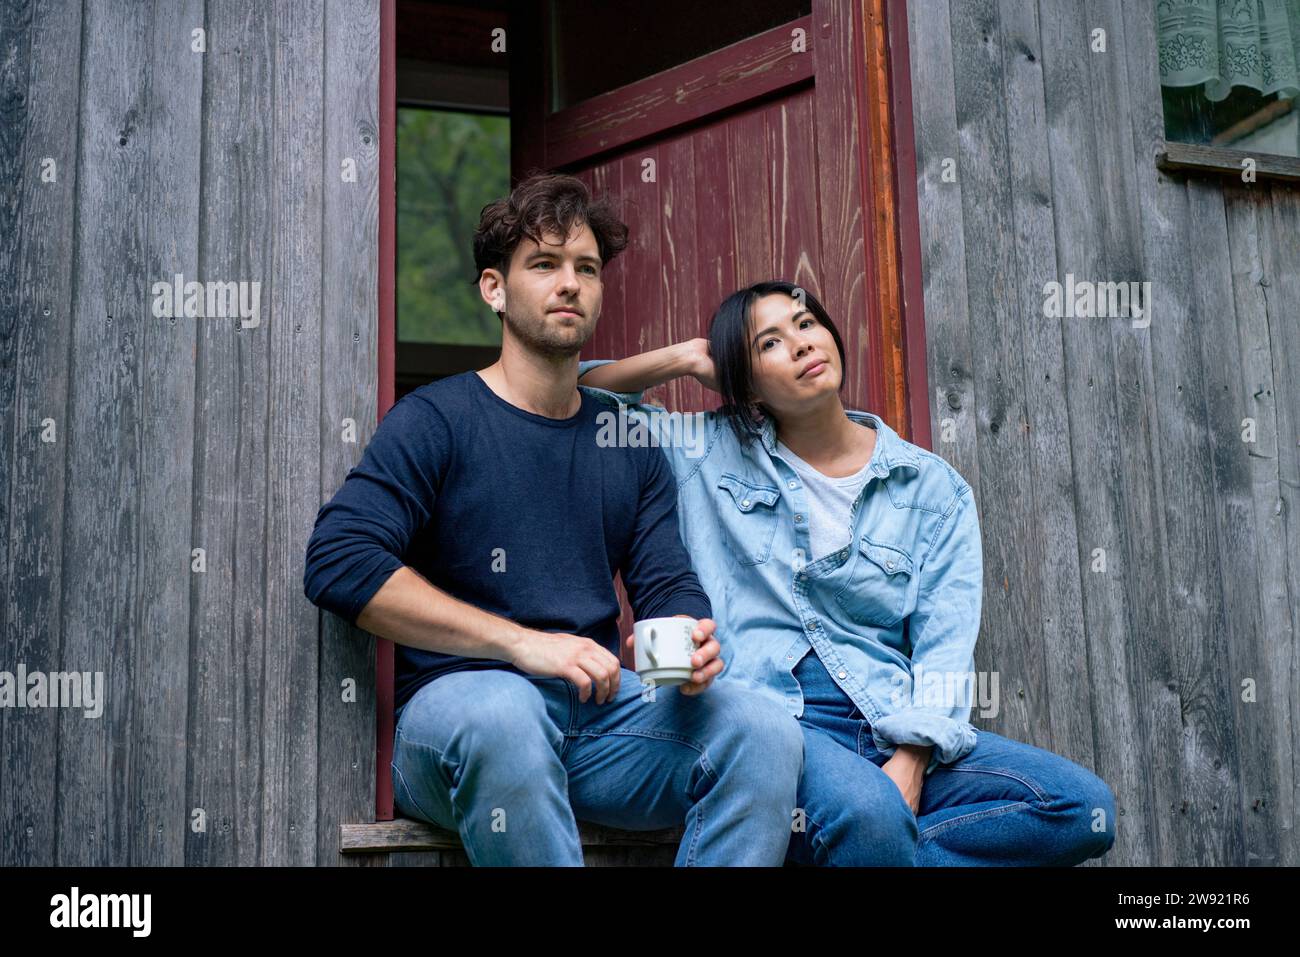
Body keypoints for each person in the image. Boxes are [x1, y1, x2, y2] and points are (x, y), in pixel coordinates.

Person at [303, 176, 804, 866]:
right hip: (458, 722)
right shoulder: (436, 420)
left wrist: (684, 651)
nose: (569, 283)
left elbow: (667, 587)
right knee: (507, 715)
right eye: (544, 264)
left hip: (596, 722)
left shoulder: (627, 445)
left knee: (764, 730)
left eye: (587, 268)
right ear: (494, 289)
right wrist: (521, 644)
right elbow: (338, 560)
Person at [577, 280, 1118, 866]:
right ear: (744, 378)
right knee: (869, 817)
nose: (803, 345)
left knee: (1079, 808)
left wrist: (910, 762)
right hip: (776, 723)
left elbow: (944, 646)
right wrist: (685, 357)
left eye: (807, 325)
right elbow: (582, 398)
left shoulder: (931, 488)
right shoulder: (706, 451)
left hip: (888, 720)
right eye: (770, 343)